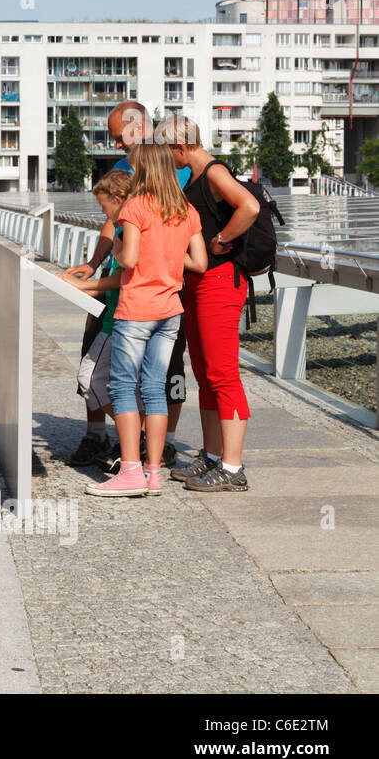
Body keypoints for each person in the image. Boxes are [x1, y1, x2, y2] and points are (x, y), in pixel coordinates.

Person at [65, 101, 190, 466]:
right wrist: (93, 263)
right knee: (96, 348)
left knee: (166, 369)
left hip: (160, 286)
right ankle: (99, 435)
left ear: (138, 128)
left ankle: (161, 441)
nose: (116, 144)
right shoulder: (121, 169)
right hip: (123, 277)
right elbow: (112, 222)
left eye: (119, 137)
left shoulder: (175, 167)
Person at [85, 142, 206, 497]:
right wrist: (169, 254)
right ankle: (154, 473)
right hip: (170, 311)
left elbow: (129, 260)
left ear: (145, 172)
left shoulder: (135, 207)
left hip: (137, 310)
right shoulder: (185, 209)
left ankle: (130, 472)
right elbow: (198, 262)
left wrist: (123, 249)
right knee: (154, 390)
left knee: (122, 387)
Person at [158, 115, 261, 492]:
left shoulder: (214, 172)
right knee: (204, 374)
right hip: (199, 283)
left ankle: (233, 469)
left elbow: (248, 207)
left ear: (181, 147)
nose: (168, 158)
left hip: (220, 283)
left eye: (169, 151)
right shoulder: (195, 177)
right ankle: (213, 456)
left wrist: (220, 240)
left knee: (223, 375)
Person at [62, 170, 131, 469]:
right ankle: (128, 440)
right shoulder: (122, 229)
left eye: (104, 207)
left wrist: (83, 286)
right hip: (118, 317)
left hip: (118, 320)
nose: (103, 214)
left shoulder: (128, 232)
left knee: (89, 377)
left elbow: (123, 277)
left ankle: (134, 433)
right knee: (121, 383)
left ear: (118, 200)